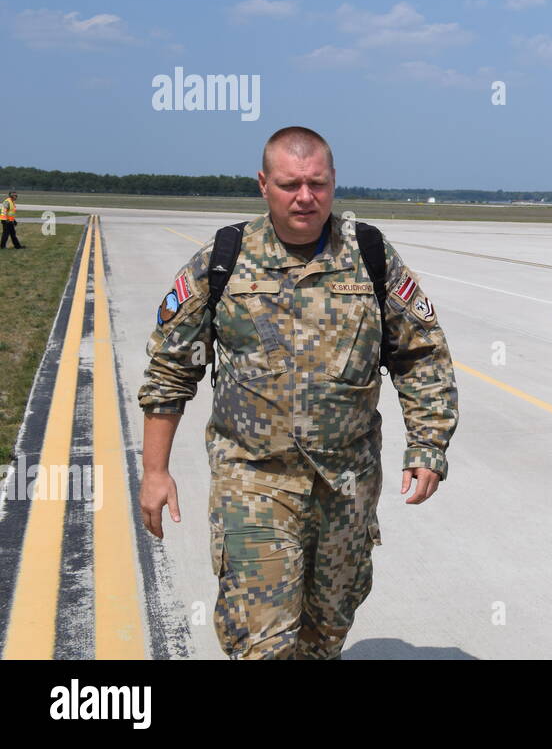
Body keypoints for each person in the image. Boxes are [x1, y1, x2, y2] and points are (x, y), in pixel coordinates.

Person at [138, 126, 458, 659]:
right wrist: (155, 471)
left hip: (347, 486)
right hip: (254, 480)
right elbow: (171, 368)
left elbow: (422, 355)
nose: (305, 197)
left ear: (334, 183)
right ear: (263, 184)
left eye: (317, 184)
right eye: (290, 184)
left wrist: (428, 446)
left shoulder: (371, 254)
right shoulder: (224, 259)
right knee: (262, 644)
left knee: (324, 635)